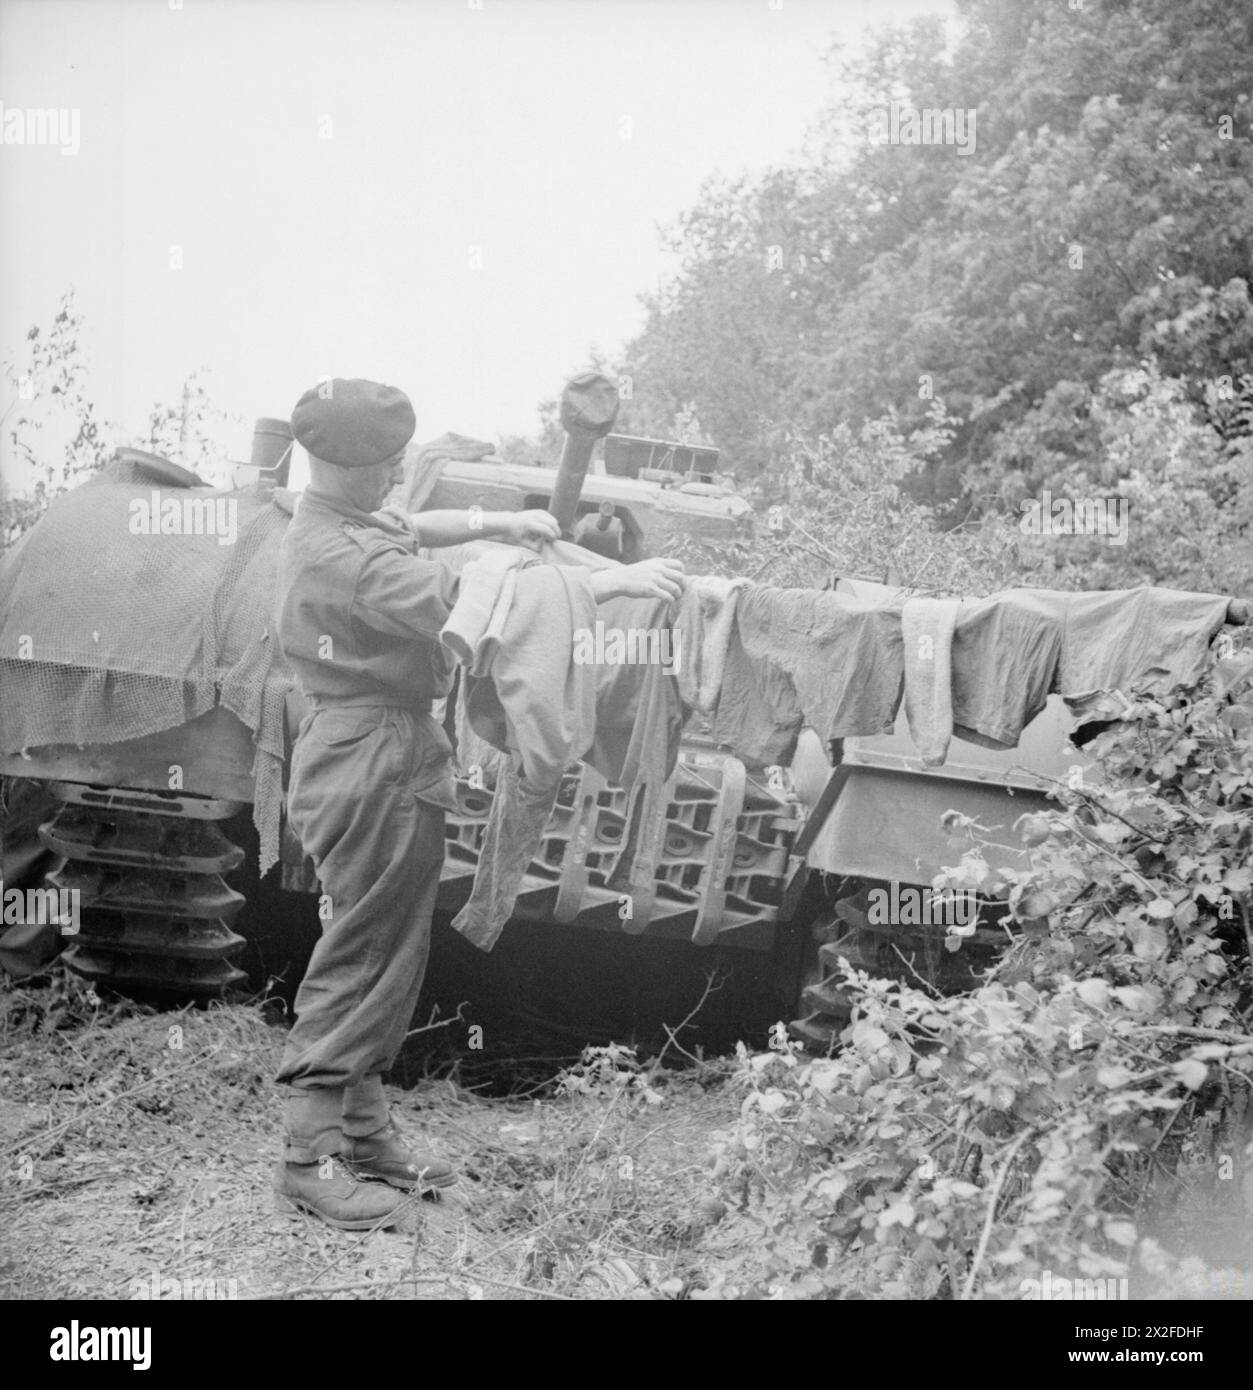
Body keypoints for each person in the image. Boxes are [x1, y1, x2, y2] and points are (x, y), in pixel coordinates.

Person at [272, 378, 684, 1229]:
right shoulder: (347, 560)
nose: (394, 477)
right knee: (361, 949)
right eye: (383, 466)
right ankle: (307, 1162)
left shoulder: (337, 520)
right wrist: (617, 583)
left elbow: (414, 526)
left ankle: (366, 1131)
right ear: (336, 465)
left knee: (387, 944)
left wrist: (499, 523)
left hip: (374, 747)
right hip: (371, 754)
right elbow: (483, 614)